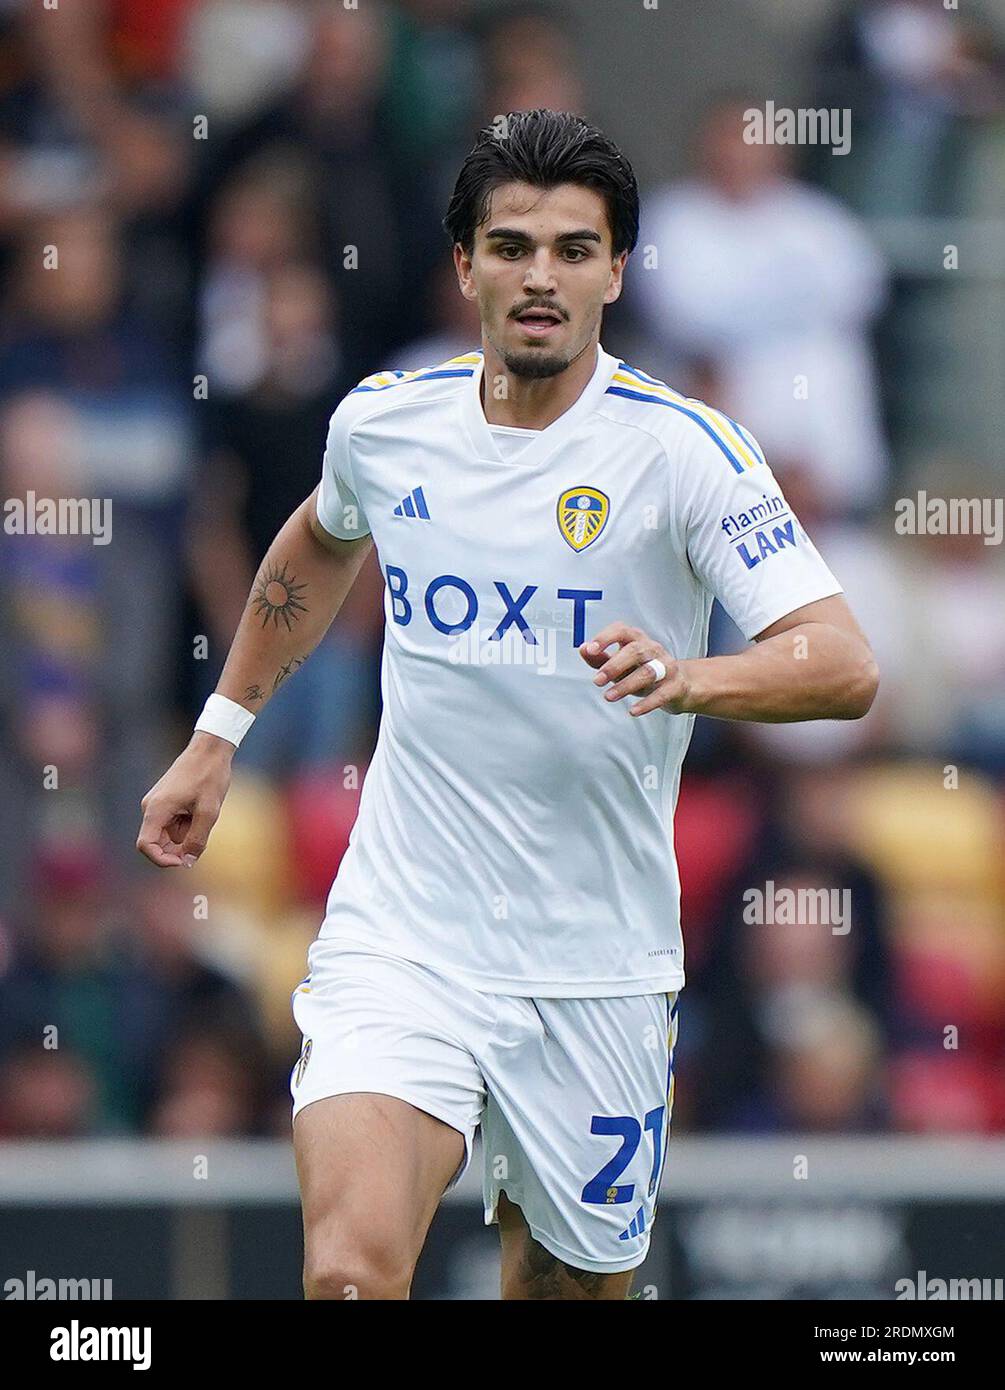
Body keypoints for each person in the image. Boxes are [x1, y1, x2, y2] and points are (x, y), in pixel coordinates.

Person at [137, 110, 879, 1300]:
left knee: (565, 1290)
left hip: (596, 966)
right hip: (405, 934)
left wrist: (693, 676)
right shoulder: (385, 423)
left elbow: (842, 661)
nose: (543, 275)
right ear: (465, 264)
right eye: (514, 245)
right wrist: (219, 733)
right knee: (346, 1274)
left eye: (575, 250)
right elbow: (319, 545)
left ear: (616, 272)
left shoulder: (685, 451)